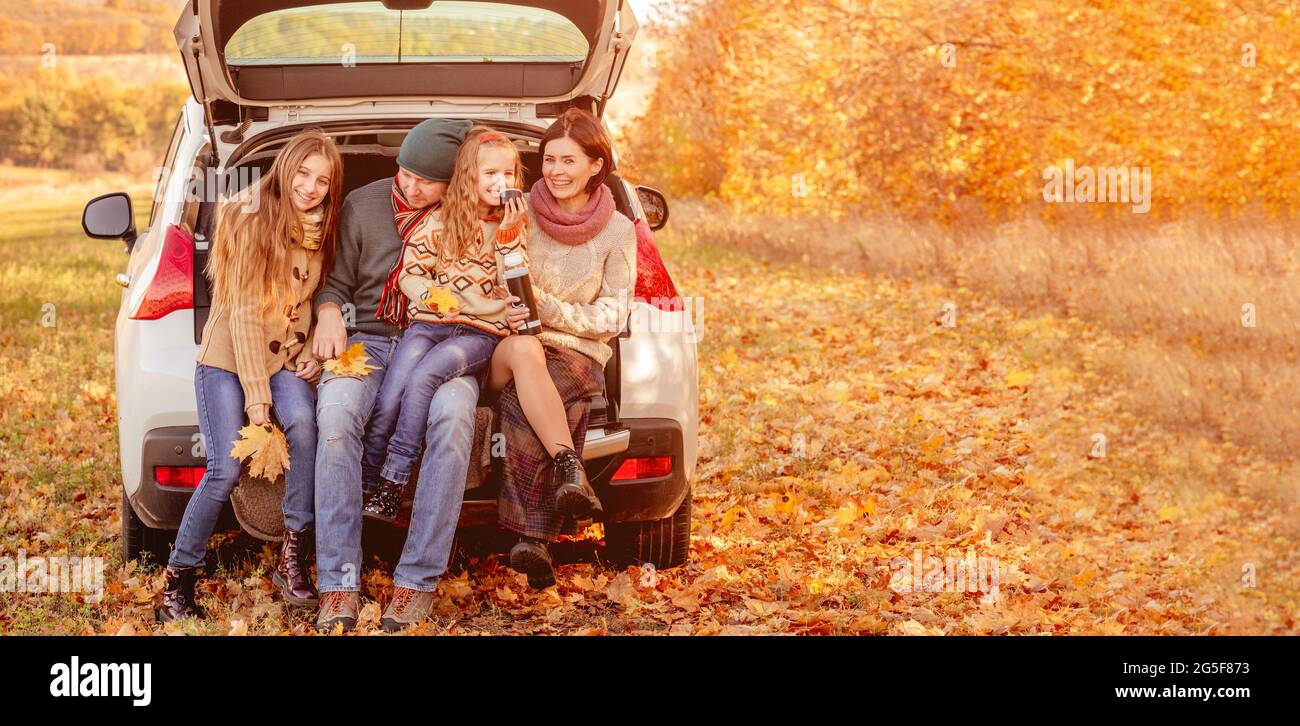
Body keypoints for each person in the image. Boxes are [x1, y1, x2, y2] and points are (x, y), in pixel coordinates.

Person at [158, 130, 343, 621]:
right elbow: (241, 312)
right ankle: (178, 581)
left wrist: (311, 354)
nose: (309, 187)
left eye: (322, 180)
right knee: (224, 468)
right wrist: (256, 399)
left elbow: (306, 301)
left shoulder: (322, 228)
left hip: (282, 361)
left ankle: (292, 559)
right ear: (284, 167)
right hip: (227, 360)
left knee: (306, 429)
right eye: (302, 173)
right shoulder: (246, 214)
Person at [310, 118, 485, 633]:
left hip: (442, 343)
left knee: (454, 416)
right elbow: (334, 281)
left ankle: (416, 582)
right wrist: (326, 311)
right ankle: (339, 583)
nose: (409, 186)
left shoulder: (471, 219)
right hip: (365, 339)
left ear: (453, 184)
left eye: (425, 181)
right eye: (404, 172)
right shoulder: (363, 205)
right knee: (337, 416)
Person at [489, 108, 638, 589]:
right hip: (516, 343)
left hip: (579, 353)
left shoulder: (618, 231)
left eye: (569, 161)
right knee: (540, 388)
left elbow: (614, 315)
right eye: (549, 159)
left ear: (596, 165)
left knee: (520, 399)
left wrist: (548, 309)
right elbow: (498, 278)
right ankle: (564, 488)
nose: (555, 171)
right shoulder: (520, 211)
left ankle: (533, 540)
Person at [359, 127, 529, 531]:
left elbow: (515, 283)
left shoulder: (515, 228)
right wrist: (433, 295)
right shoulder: (439, 221)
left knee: (424, 379)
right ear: (468, 175)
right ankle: (366, 482)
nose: (499, 183)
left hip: (479, 334)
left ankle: (393, 481)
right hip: (430, 324)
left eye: (507, 175)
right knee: (388, 397)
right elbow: (409, 276)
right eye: (489, 174)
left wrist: (507, 235)